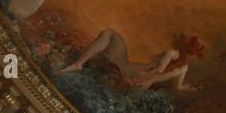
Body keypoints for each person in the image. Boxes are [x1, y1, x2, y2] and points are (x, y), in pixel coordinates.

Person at [58, 28, 197, 91]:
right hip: (134, 75)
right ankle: (79, 64)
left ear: (182, 45)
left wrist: (135, 81)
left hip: (126, 70)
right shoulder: (184, 68)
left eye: (180, 40)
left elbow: (159, 70)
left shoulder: (172, 53)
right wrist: (188, 88)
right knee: (110, 35)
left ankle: (78, 64)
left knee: (109, 33)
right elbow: (179, 87)